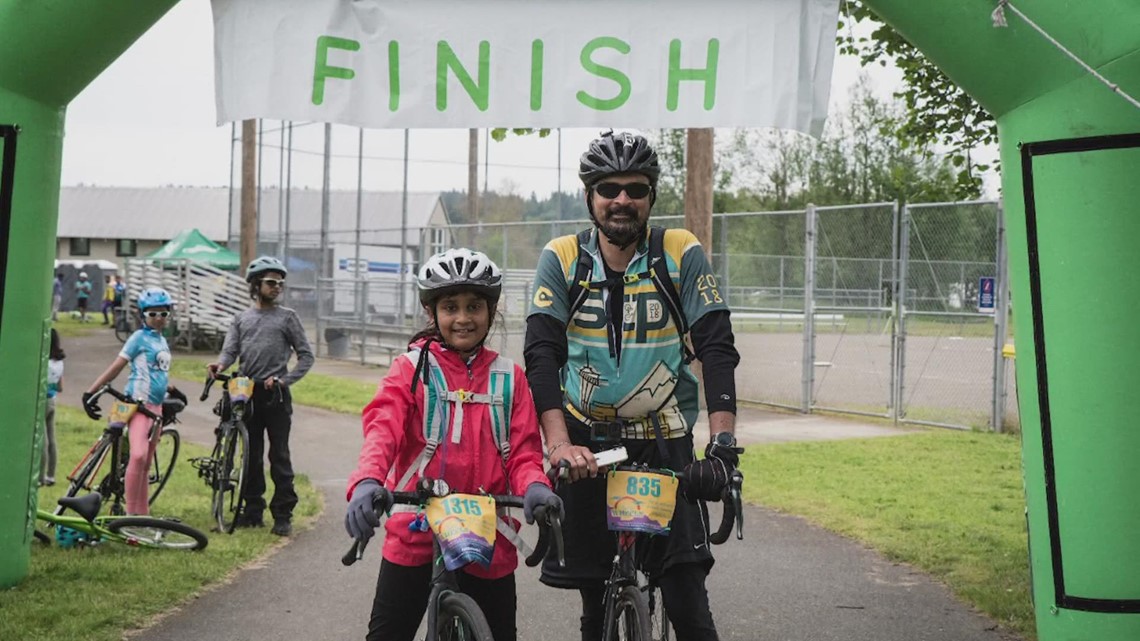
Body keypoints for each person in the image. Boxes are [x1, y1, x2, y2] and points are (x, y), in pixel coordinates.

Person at [524, 130, 742, 641]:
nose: (622, 199)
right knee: (594, 597)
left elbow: (715, 344)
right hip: (586, 445)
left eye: (636, 188)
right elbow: (541, 354)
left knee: (688, 598)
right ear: (589, 197)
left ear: (651, 196)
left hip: (664, 440)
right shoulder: (561, 258)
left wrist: (723, 443)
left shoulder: (679, 251)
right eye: (609, 188)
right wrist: (558, 444)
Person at [344, 248, 562, 641]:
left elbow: (525, 453)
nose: (463, 318)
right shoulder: (410, 370)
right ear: (433, 313)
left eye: (474, 306)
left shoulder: (510, 377)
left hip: (486, 538)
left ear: (490, 311)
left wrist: (535, 486)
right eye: (450, 307)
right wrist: (367, 480)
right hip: (416, 533)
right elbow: (383, 430)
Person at [207, 256, 314, 536]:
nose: (276, 287)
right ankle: (252, 511)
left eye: (280, 283)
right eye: (270, 282)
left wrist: (285, 379)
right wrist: (220, 365)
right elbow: (230, 351)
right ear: (256, 285)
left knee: (278, 455)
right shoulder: (241, 318)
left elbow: (306, 355)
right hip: (245, 392)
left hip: (275, 394)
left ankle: (282, 514)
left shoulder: (288, 317)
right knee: (250, 455)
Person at [81, 288, 183, 515]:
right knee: (137, 455)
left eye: (164, 314)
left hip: (156, 408)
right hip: (136, 405)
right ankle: (130, 514)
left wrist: (171, 389)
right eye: (153, 314)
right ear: (143, 315)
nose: (159, 318)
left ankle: (142, 513)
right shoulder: (138, 338)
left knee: (146, 462)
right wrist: (90, 392)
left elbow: (154, 373)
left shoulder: (161, 340)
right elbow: (117, 367)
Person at [41, 328, 65, 486]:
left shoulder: (44, 362)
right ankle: (51, 475)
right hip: (52, 401)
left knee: (42, 441)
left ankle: (40, 477)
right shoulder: (59, 362)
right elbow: (60, 387)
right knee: (52, 439)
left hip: (41, 401)